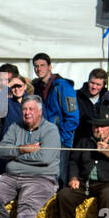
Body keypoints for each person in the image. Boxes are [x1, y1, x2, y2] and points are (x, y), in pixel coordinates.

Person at [0, 94, 61, 218]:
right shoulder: (15, 127)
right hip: (12, 176)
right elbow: (2, 150)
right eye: (24, 109)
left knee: (27, 202)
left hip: (41, 178)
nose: (27, 112)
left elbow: (45, 158)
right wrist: (22, 149)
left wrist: (14, 158)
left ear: (40, 111)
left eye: (31, 109)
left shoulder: (51, 130)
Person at [29, 53, 77, 181]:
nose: (39, 69)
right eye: (36, 66)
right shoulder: (37, 88)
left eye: (42, 65)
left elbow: (73, 119)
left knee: (58, 178)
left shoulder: (63, 86)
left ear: (50, 67)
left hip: (60, 142)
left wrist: (59, 139)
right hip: (42, 142)